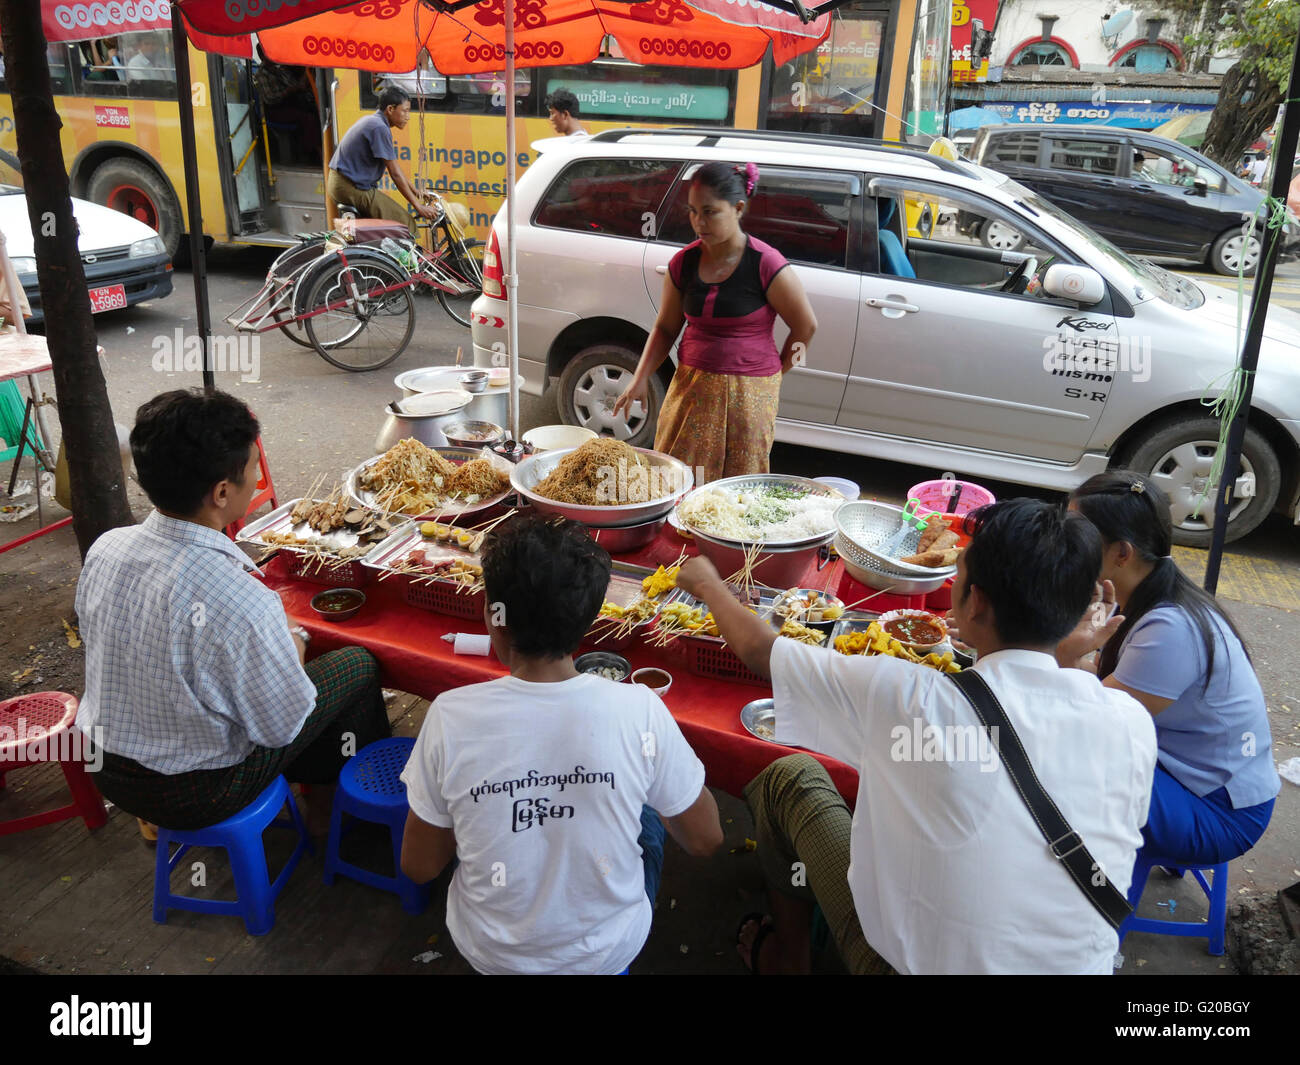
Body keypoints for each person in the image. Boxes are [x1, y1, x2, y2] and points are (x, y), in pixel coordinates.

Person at [675, 498, 1157, 975]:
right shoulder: (1131, 722)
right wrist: (1071, 657)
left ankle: (788, 960)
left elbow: (762, 650)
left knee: (790, 777)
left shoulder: (911, 699)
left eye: (959, 576)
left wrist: (708, 584)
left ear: (977, 601)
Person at [400, 514, 722, 974]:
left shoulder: (450, 716)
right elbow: (706, 838)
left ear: (494, 615)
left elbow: (419, 866)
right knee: (648, 813)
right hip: (606, 954)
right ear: (589, 618)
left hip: (492, 954)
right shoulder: (640, 709)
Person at [75, 390, 390, 836]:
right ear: (222, 492)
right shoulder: (242, 602)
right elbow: (281, 727)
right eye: (253, 467)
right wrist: (294, 641)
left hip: (104, 764)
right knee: (355, 666)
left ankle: (325, 799)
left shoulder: (106, 548)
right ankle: (352, 823)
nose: (260, 472)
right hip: (193, 792)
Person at [1056, 471, 1279, 867]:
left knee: (1060, 768)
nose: (1064, 547)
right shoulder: (1143, 592)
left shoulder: (1170, 628)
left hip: (1221, 810)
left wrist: (1060, 656)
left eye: (1078, 537)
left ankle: (1087, 911)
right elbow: (1105, 689)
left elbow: (1094, 723)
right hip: (1186, 769)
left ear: (1121, 553)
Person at [612, 162, 817, 485]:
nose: (698, 222)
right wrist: (639, 379)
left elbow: (806, 327)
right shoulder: (684, 263)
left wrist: (775, 374)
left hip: (750, 396)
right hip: (691, 389)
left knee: (739, 490)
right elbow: (666, 328)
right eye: (693, 211)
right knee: (679, 477)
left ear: (737, 208)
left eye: (709, 212)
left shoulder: (767, 265)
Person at [327, 86, 438, 236]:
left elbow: (396, 168)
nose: (408, 116)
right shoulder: (379, 128)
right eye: (404, 111)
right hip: (349, 188)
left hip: (343, 185)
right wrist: (419, 207)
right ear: (390, 109)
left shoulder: (375, 122)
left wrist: (416, 191)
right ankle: (405, 259)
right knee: (405, 224)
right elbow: (395, 174)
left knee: (383, 228)